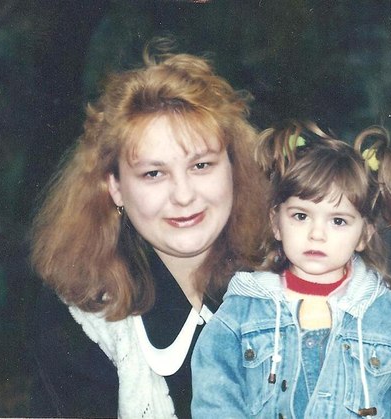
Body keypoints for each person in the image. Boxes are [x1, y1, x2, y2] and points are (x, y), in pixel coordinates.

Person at [29, 42, 268, 418]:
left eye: (201, 166)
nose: (184, 195)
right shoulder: (79, 315)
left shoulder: (295, 277)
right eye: (154, 173)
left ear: (234, 169)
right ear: (115, 187)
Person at [191, 120, 391, 418]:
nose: (317, 234)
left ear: (364, 234)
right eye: (301, 216)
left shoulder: (389, 318)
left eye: (338, 221)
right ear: (276, 223)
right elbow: (214, 402)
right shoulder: (241, 312)